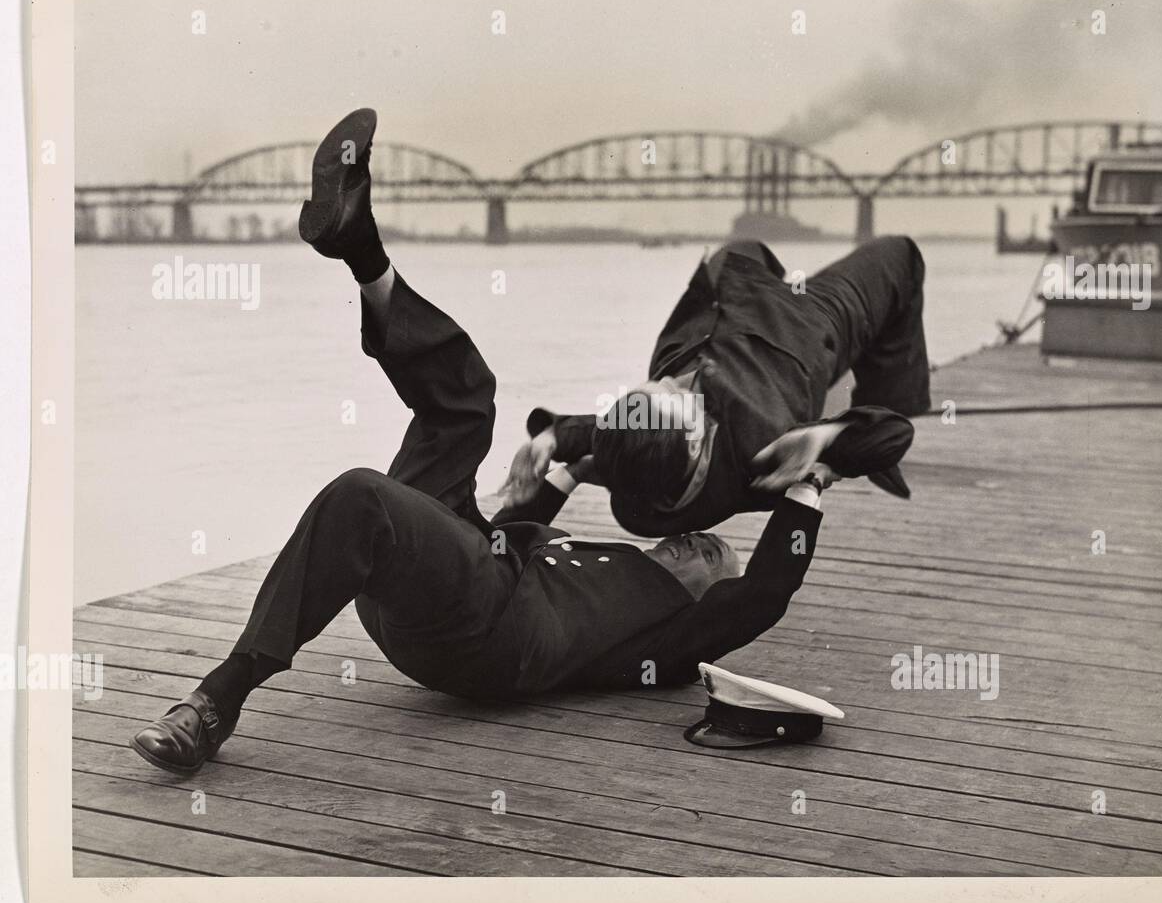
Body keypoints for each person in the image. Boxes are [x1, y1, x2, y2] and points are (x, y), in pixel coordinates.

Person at [129, 108, 846, 776]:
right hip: (460, 589)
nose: (702, 542)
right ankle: (360, 247)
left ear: (707, 604)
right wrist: (566, 469)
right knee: (468, 403)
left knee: (361, 496)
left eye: (713, 557)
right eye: (703, 537)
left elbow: (764, 594)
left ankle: (216, 700)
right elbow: (506, 536)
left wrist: (810, 484)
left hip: (490, 635)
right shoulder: (618, 564)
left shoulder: (671, 641)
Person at [497, 225, 930, 537]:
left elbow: (605, 432)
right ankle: (890, 390)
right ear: (695, 441)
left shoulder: (639, 468)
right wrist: (829, 435)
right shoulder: (759, 447)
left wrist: (551, 439)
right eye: (678, 394)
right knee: (903, 257)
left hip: (723, 289)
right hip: (799, 324)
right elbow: (893, 433)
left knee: (745, 246)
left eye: (650, 390)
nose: (679, 379)